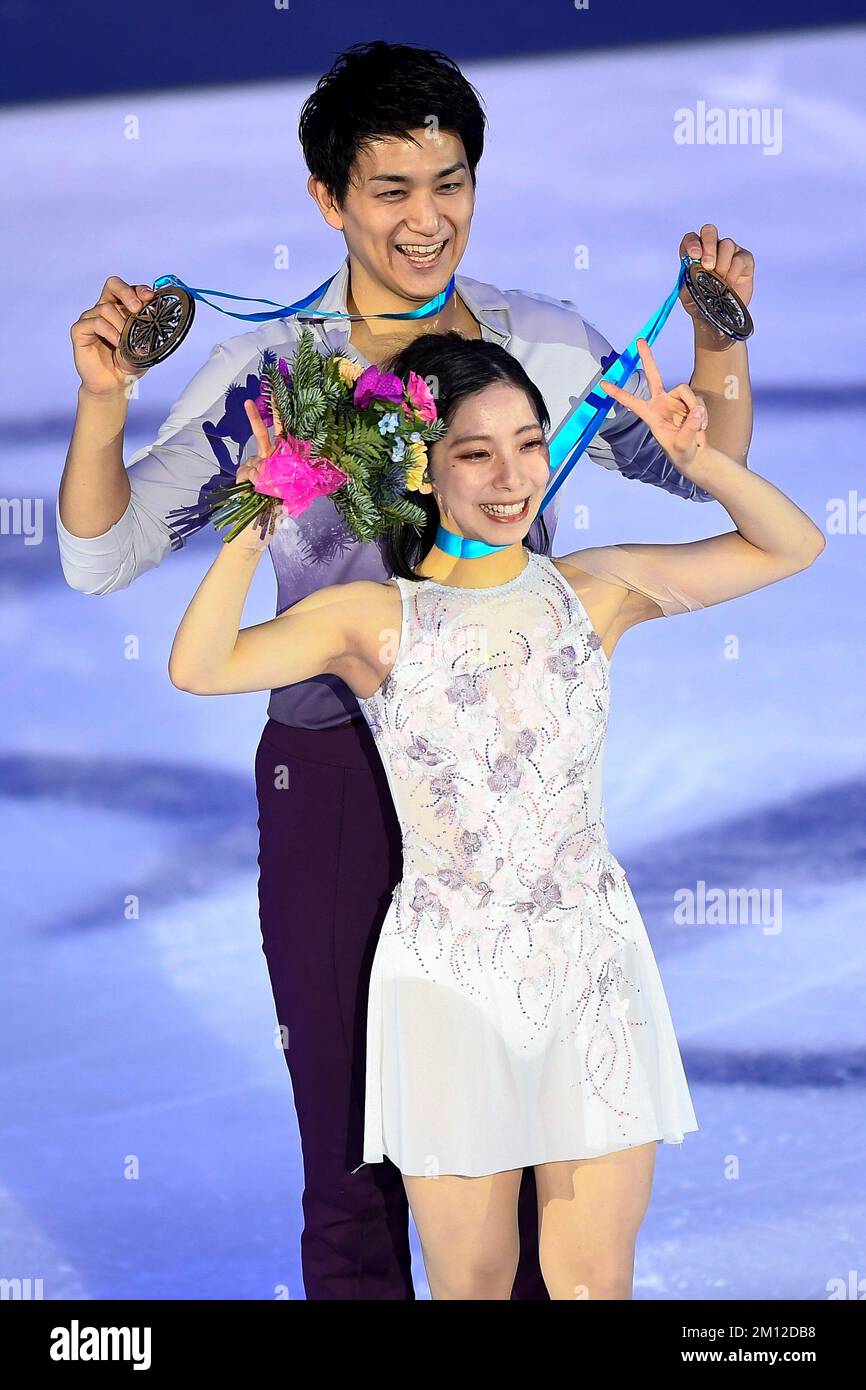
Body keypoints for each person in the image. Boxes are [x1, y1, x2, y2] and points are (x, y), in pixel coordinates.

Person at [57, 40, 756, 1301]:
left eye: (451, 182)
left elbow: (682, 460)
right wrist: (104, 405)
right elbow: (104, 554)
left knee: (540, 1136)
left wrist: (715, 349)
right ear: (328, 199)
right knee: (356, 1156)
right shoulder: (273, 379)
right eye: (390, 190)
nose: (425, 219)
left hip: (503, 793)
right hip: (333, 779)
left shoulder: (536, 339)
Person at [167, 329, 823, 1300]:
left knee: (594, 1284)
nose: (513, 477)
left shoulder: (591, 590)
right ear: (421, 469)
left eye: (527, 442)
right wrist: (255, 514)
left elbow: (791, 545)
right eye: (475, 452)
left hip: (591, 970)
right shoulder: (376, 620)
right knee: (473, 1286)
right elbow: (200, 665)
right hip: (447, 988)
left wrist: (699, 460)